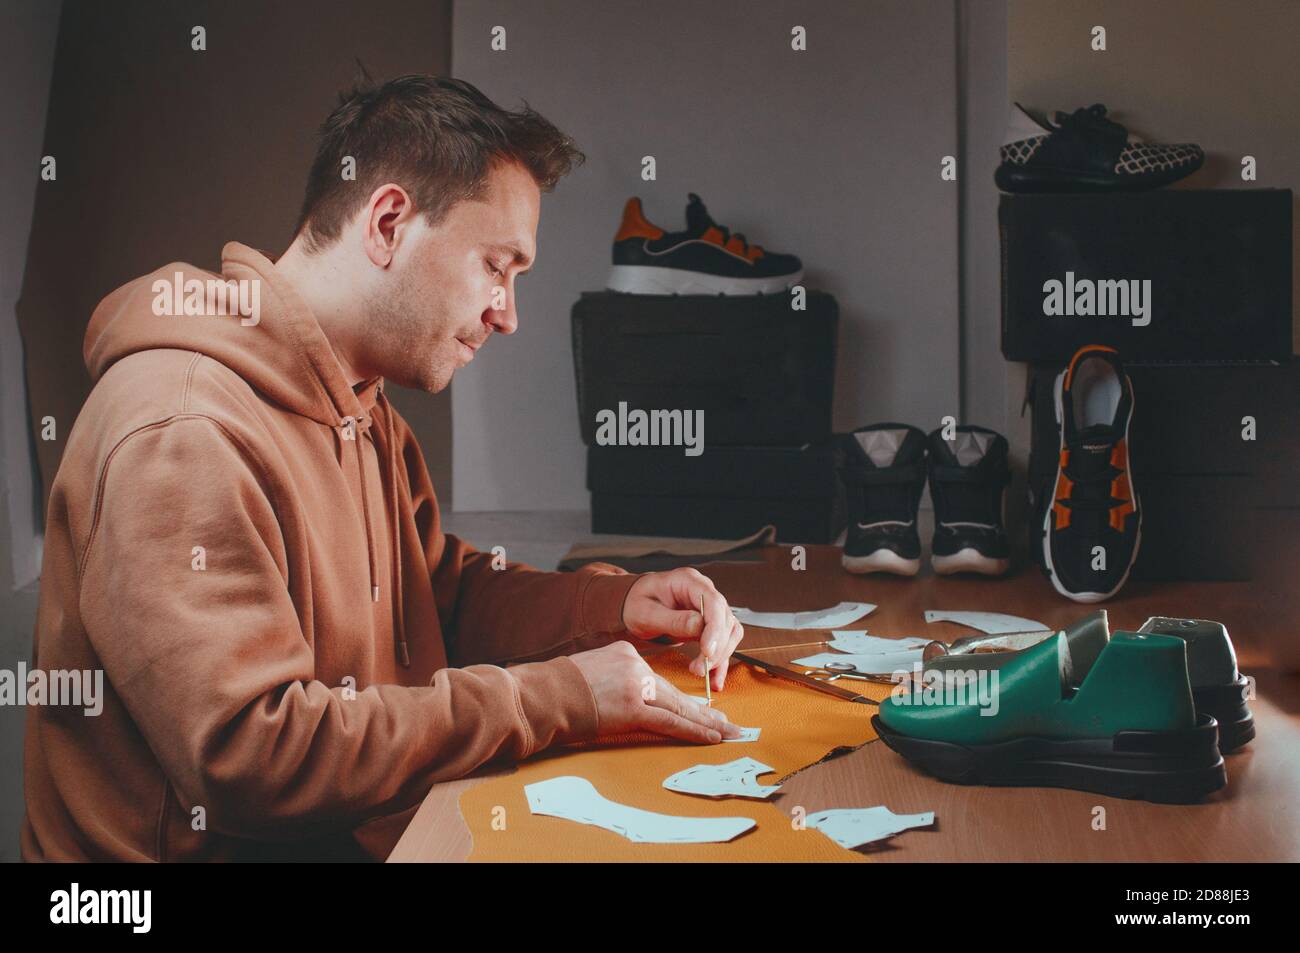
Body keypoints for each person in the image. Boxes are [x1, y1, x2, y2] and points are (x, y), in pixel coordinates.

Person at [22, 75, 744, 862]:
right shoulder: (181, 430)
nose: (508, 314)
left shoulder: (363, 410)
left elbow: (440, 599)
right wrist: (564, 696)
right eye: (498, 266)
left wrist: (616, 604)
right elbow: (252, 758)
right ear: (390, 222)